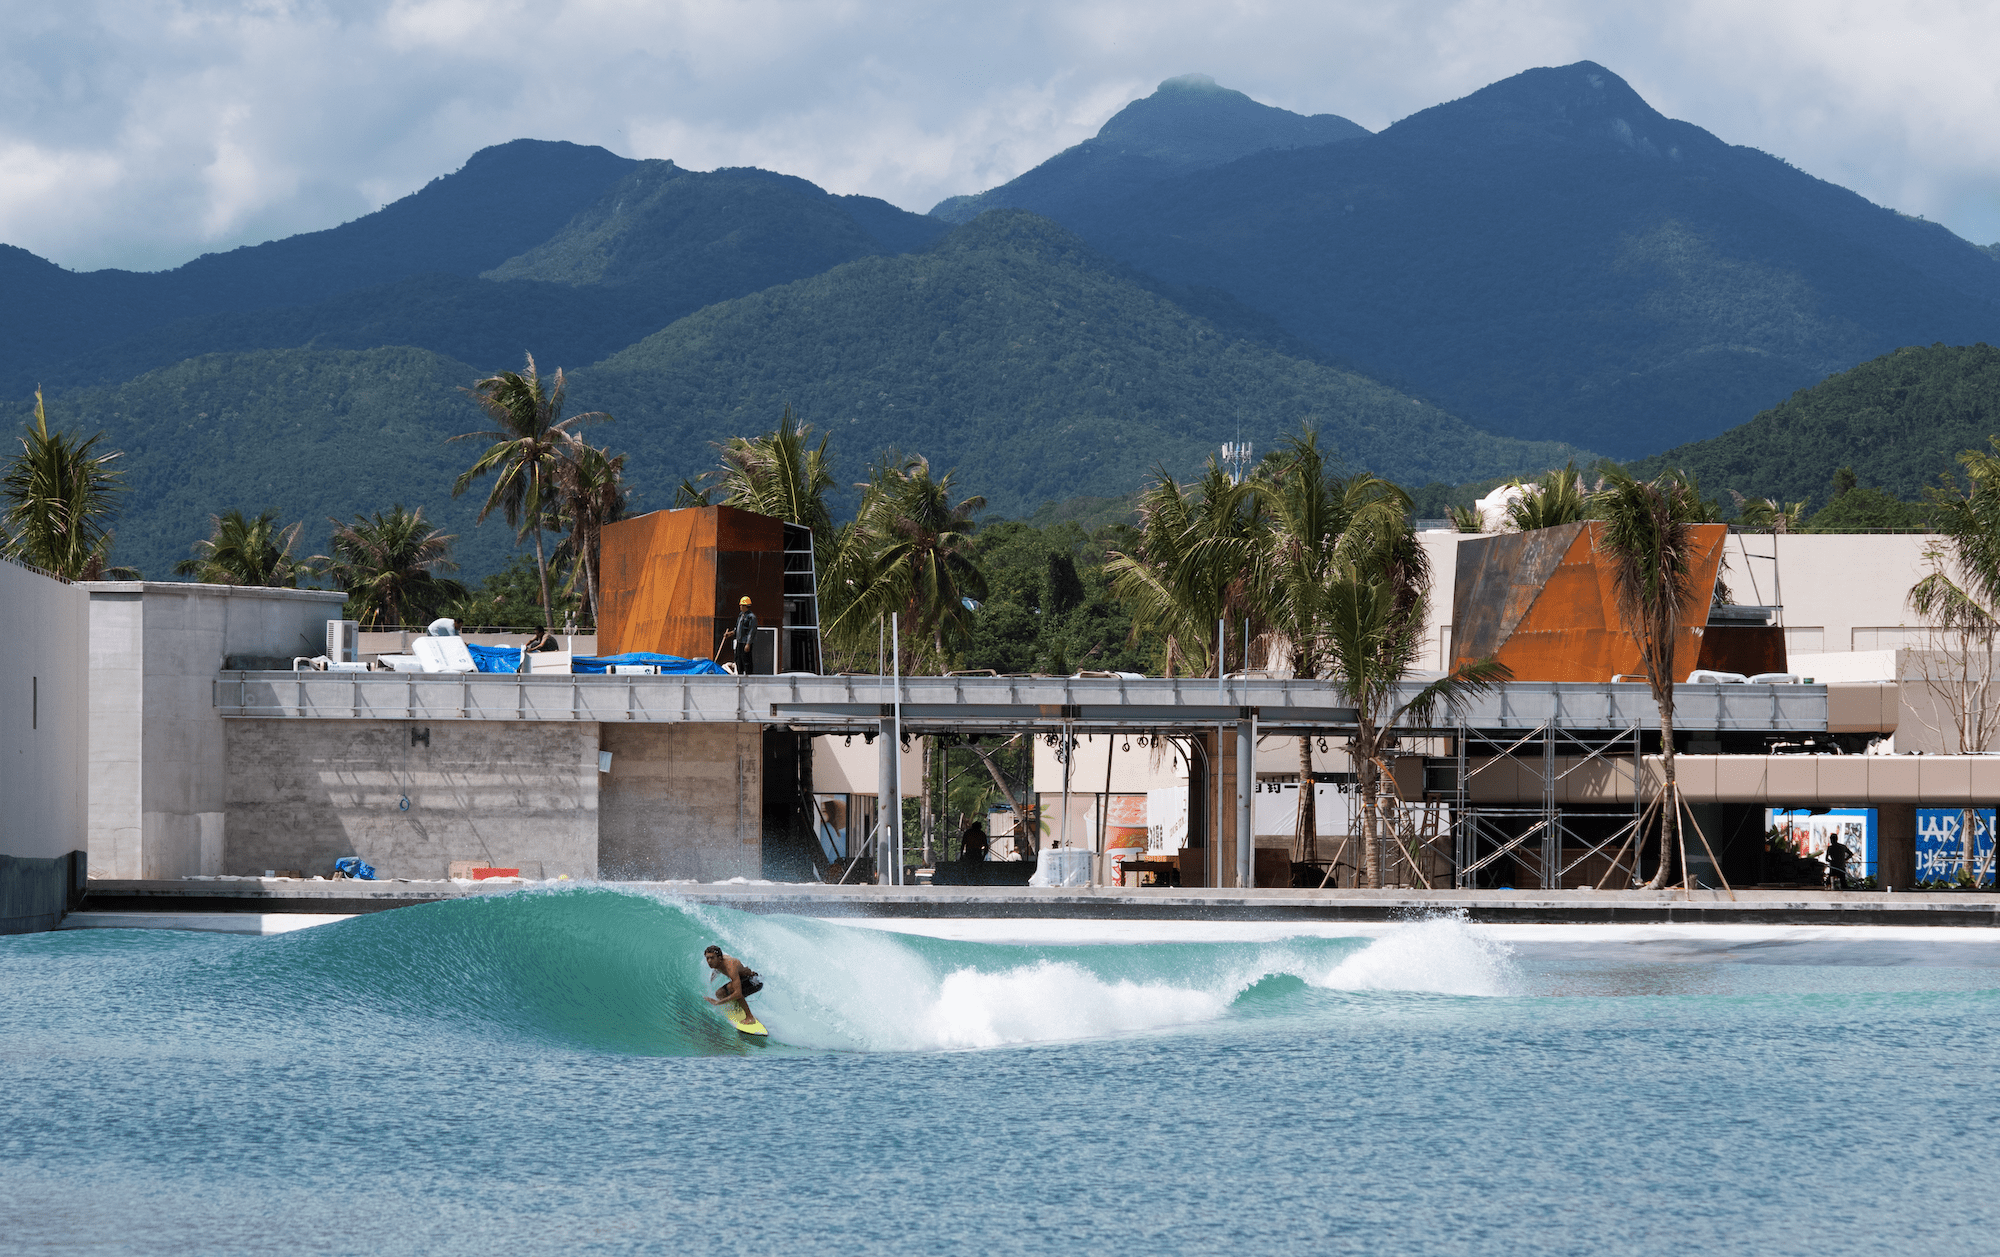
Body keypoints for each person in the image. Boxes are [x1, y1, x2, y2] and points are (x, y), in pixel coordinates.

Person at [703, 945, 763, 1020]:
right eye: (707, 958)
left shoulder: (730, 966)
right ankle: (737, 1008)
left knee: (734, 990)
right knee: (719, 993)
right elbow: (717, 968)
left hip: (755, 981)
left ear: (719, 958)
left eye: (712, 958)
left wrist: (717, 1002)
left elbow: (737, 993)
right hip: (745, 979)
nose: (709, 961)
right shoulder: (719, 961)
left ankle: (749, 1017)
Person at [733, 596, 757, 676]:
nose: (740, 607)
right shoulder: (741, 615)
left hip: (745, 642)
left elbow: (751, 631)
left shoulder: (751, 617)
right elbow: (738, 628)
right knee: (738, 659)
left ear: (746, 606)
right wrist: (732, 633)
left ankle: (748, 676)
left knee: (746, 660)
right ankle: (740, 675)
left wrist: (748, 643)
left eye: (742, 605)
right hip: (739, 642)